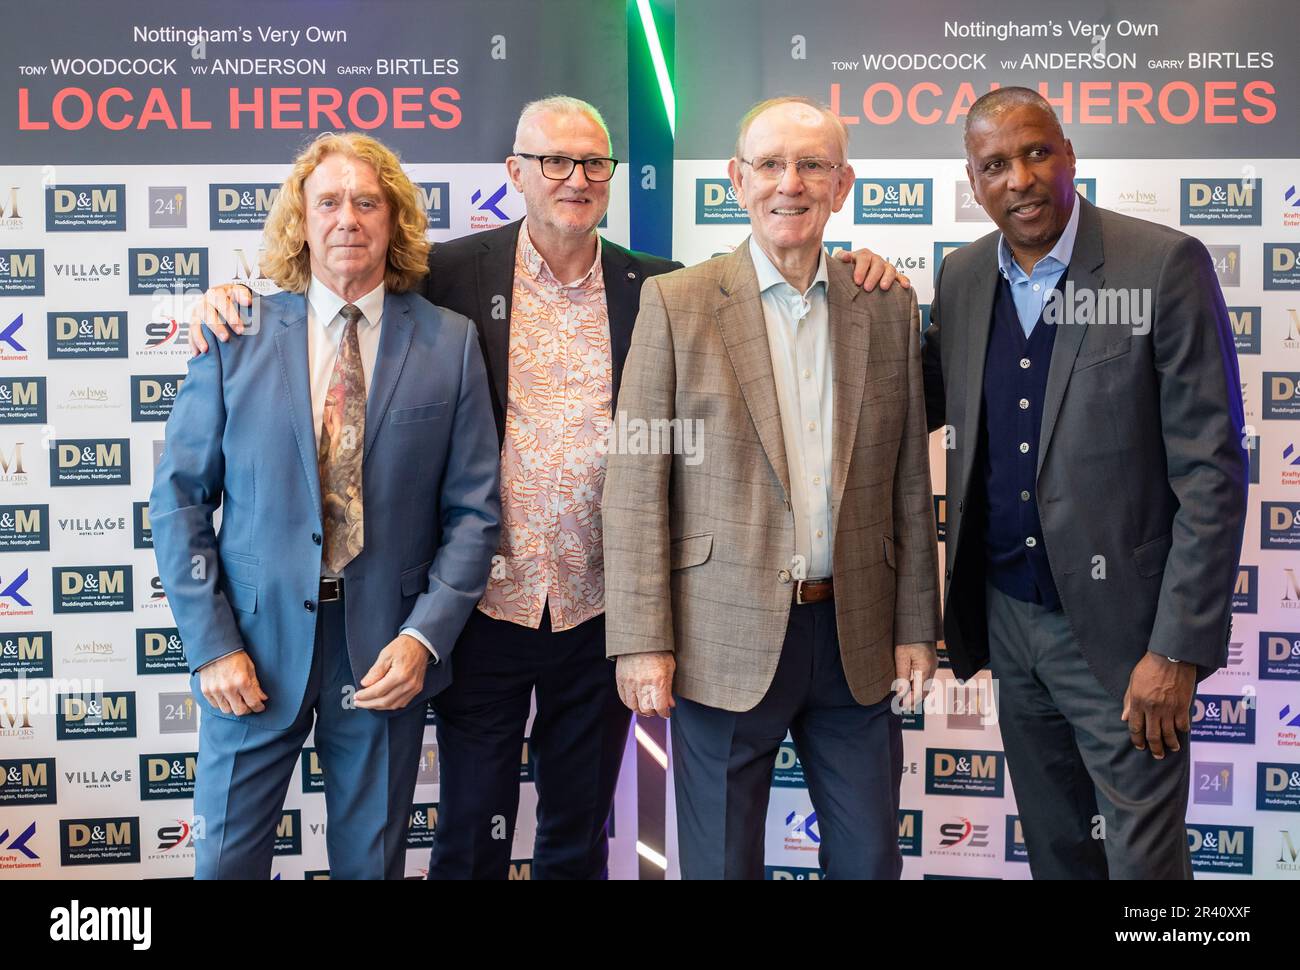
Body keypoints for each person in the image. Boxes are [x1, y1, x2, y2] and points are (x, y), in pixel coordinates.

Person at [189, 96, 908, 880]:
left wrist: (861, 270)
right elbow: (340, 288)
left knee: (578, 827)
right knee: (470, 829)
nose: (575, 178)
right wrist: (232, 303)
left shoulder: (661, 289)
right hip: (482, 606)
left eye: (594, 162)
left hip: (602, 611)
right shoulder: (449, 277)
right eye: (553, 162)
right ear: (516, 174)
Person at [603, 96, 941, 879]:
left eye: (812, 165)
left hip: (855, 640)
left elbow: (906, 483)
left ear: (843, 183)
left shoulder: (887, 305)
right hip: (718, 642)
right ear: (735, 179)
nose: (790, 183)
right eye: (770, 164)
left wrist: (917, 626)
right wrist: (642, 639)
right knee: (720, 866)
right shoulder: (678, 302)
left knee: (869, 862)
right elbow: (634, 483)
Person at [151, 132, 500, 879]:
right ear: (301, 222)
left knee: (370, 867)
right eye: (330, 201)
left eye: (367, 202)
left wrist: (423, 639)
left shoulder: (449, 343)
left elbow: (474, 514)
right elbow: (179, 499)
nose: (349, 218)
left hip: (382, 651)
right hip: (250, 645)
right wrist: (212, 644)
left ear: (394, 221)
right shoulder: (235, 335)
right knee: (222, 865)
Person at [922, 87, 1248, 878]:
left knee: (1142, 866)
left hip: (1125, 638)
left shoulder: (1161, 264)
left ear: (1070, 156)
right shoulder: (963, 277)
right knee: (1059, 850)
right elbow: (918, 400)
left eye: (1037, 153)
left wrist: (1174, 649)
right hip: (1009, 623)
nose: (1021, 179)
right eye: (995, 164)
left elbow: (1211, 471)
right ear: (974, 183)